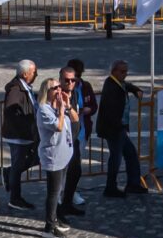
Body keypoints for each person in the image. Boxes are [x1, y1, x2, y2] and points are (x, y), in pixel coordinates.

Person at [36, 76, 78, 236]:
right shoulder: (44, 109)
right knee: (53, 192)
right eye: (56, 88)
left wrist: (67, 106)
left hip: (64, 154)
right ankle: (49, 226)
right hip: (53, 156)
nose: (60, 90)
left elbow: (75, 120)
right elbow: (58, 127)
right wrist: (61, 110)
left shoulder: (59, 106)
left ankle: (55, 217)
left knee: (59, 190)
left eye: (60, 87)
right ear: (47, 91)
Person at [97, 61, 145, 197]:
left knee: (130, 154)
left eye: (126, 72)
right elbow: (110, 112)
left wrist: (136, 90)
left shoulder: (118, 82)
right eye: (122, 72)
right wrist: (119, 127)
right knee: (116, 158)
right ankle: (111, 187)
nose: (125, 74)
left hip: (119, 128)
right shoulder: (111, 86)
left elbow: (127, 85)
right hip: (114, 129)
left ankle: (133, 184)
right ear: (114, 71)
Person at [0, 59, 41, 210]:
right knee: (18, 166)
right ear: (25, 74)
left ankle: (8, 172)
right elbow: (12, 110)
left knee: (36, 158)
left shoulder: (25, 87)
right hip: (19, 135)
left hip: (27, 134)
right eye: (33, 72)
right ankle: (15, 198)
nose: (36, 74)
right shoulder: (15, 89)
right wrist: (26, 123)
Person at [55, 59, 93, 216]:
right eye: (67, 80)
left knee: (75, 171)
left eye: (73, 80)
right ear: (61, 79)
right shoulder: (55, 94)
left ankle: (67, 202)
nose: (70, 83)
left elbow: (76, 116)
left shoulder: (75, 93)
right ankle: (56, 211)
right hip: (60, 140)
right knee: (59, 176)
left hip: (75, 138)